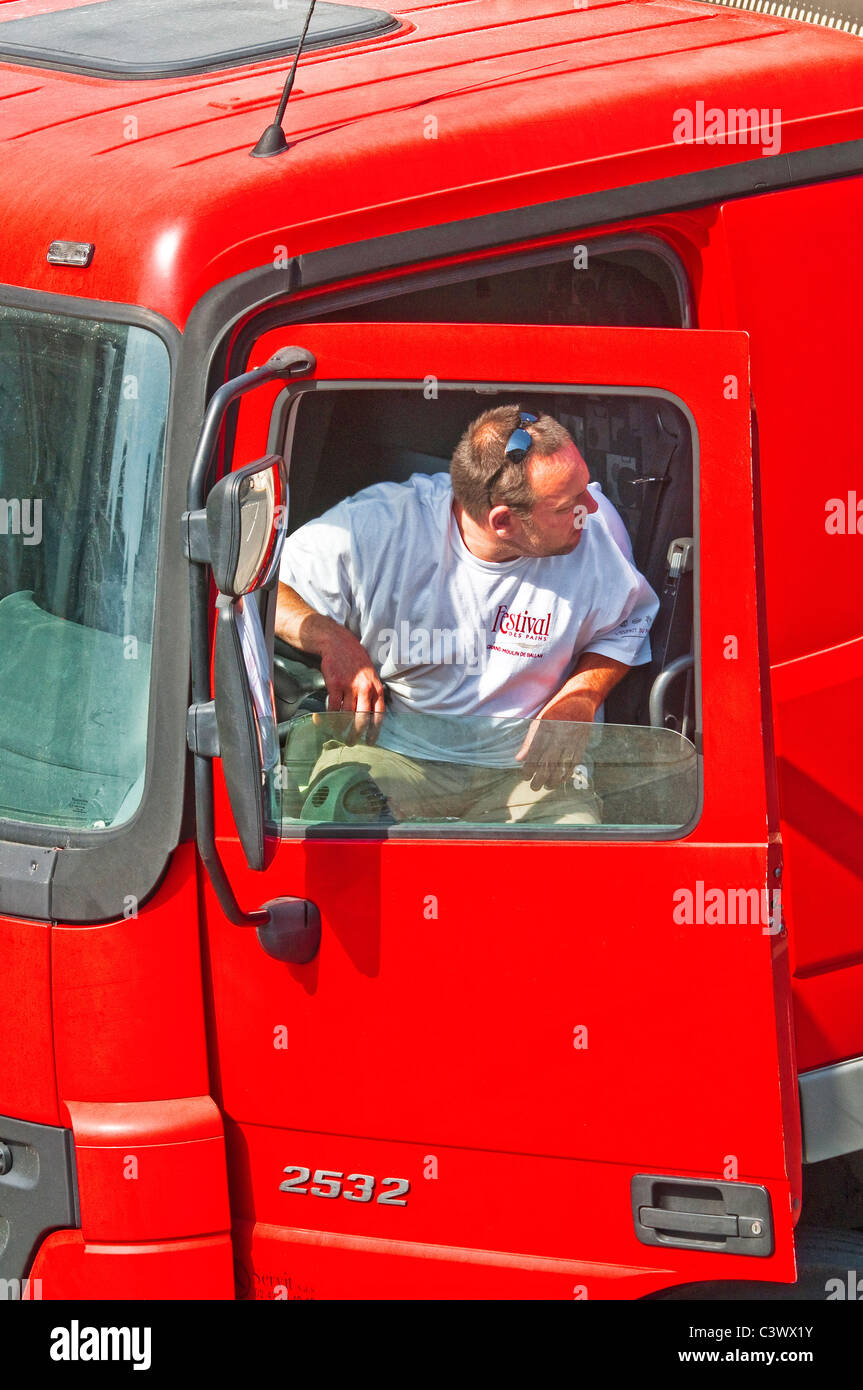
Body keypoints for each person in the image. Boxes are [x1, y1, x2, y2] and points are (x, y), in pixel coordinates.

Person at [275, 405, 659, 825]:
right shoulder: (380, 528)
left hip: (527, 772)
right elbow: (261, 585)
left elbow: (628, 623)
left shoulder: (596, 533)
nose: (593, 507)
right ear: (504, 521)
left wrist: (582, 695)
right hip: (397, 754)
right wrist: (331, 639)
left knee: (573, 851)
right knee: (335, 818)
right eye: (570, 503)